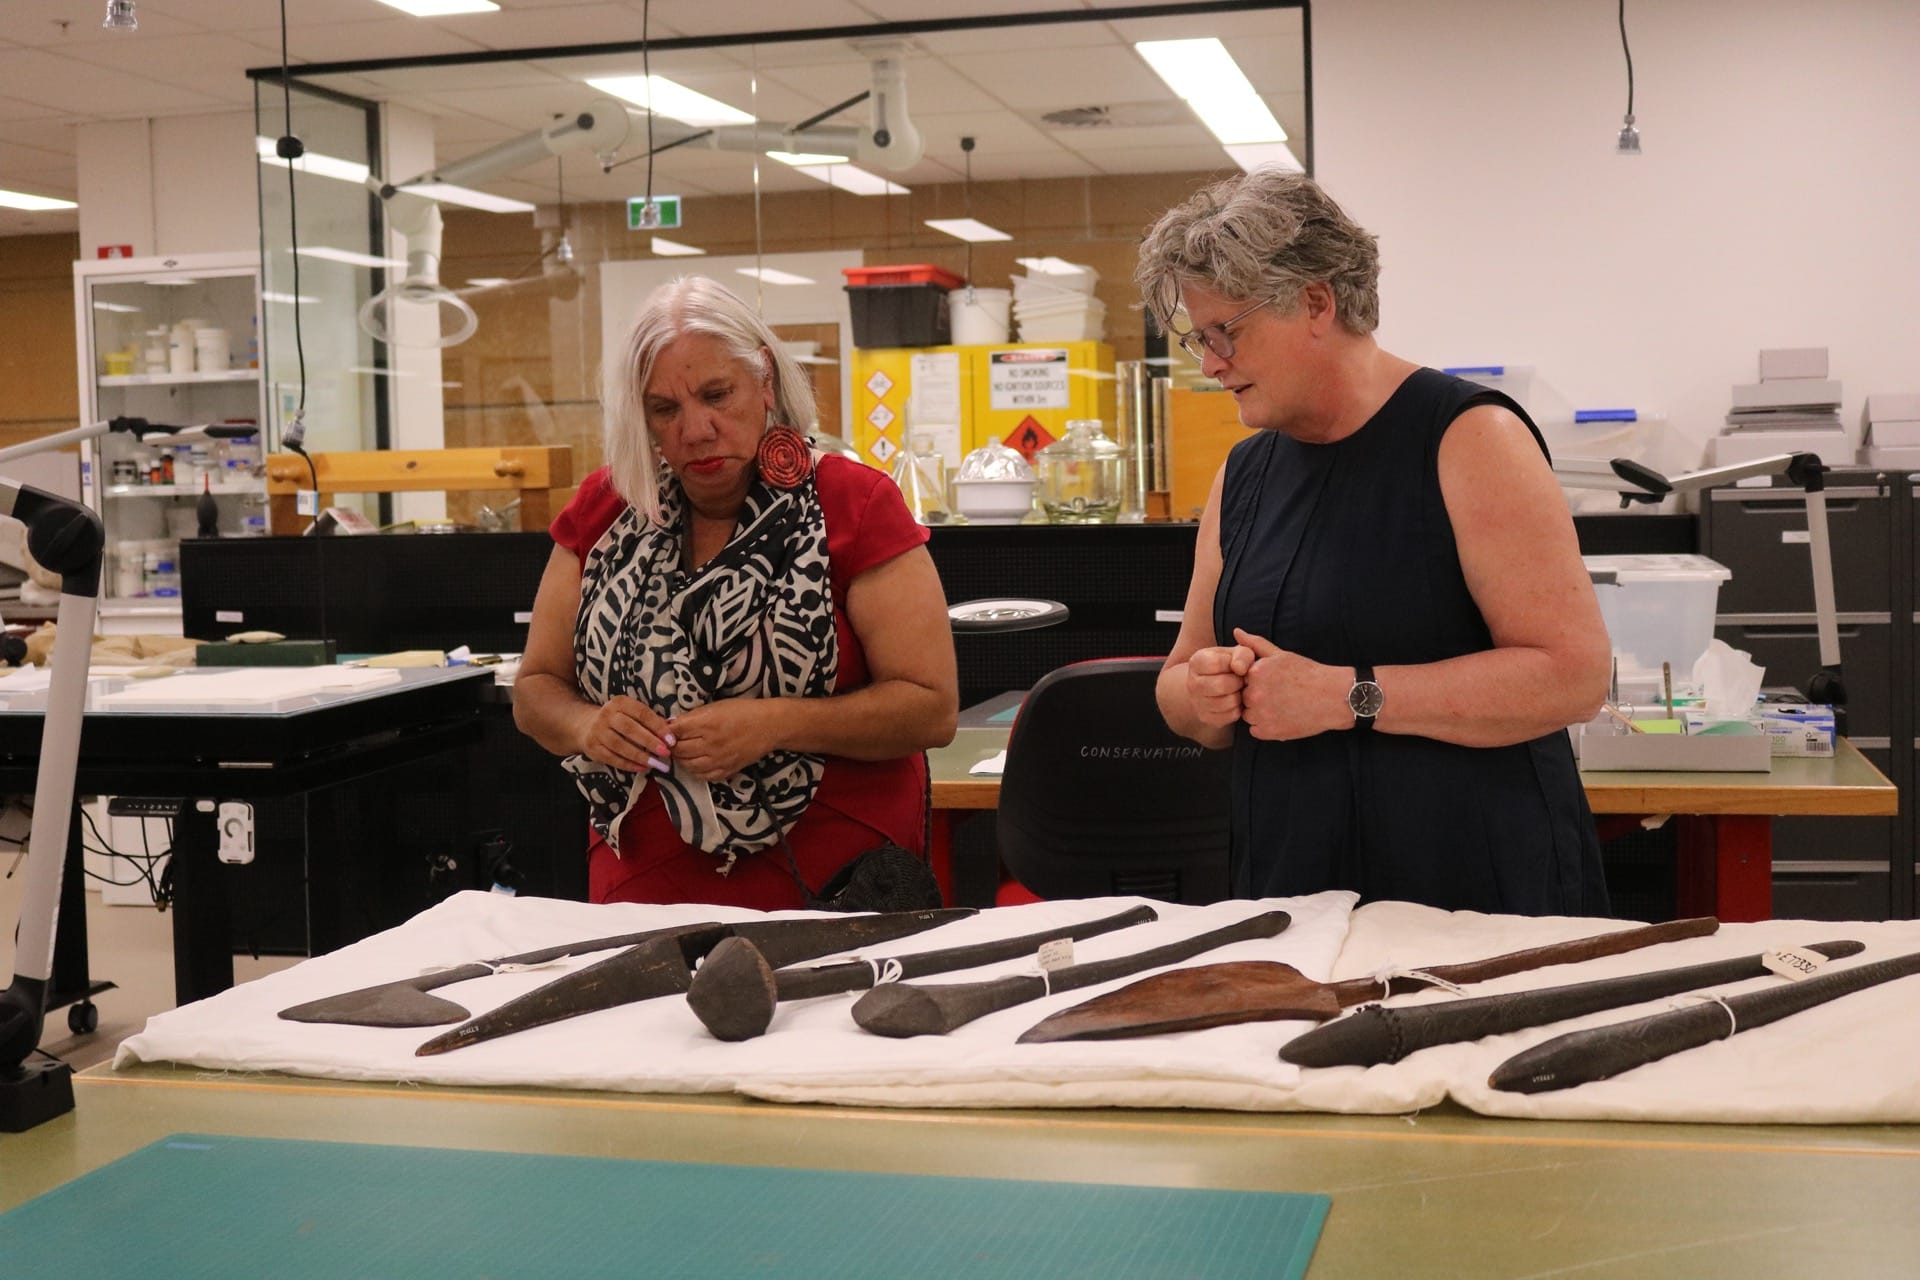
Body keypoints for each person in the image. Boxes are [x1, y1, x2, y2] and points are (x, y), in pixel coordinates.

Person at [1137, 170, 1613, 916]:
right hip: (1294, 888)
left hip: (1470, 892)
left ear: (1315, 302)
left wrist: (1347, 696)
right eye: (1200, 338)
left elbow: (1573, 677)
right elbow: (1177, 688)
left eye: (1227, 332)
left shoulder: (1470, 438)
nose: (1210, 362)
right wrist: (1206, 692)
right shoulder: (1244, 474)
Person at [515, 276, 958, 908]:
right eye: (665, 409)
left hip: (831, 878)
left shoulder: (854, 504)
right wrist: (588, 726)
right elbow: (535, 690)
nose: (697, 429)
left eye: (717, 394)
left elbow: (930, 709)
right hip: (640, 875)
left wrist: (776, 723)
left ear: (765, 380)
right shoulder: (606, 509)